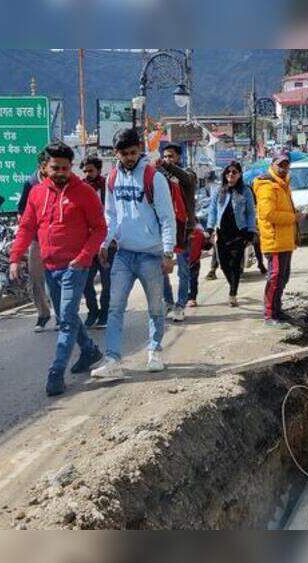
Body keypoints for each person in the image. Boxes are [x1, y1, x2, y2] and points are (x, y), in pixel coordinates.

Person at [9, 142, 107, 397]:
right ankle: (89, 351)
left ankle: (56, 371)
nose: (60, 172)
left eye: (65, 167)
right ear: (45, 167)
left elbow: (99, 229)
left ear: (71, 167)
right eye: (55, 167)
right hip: (49, 265)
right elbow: (27, 227)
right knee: (68, 315)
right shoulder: (37, 193)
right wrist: (15, 258)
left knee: (64, 318)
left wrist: (84, 257)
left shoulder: (84, 193)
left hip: (75, 266)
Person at [90, 129, 176, 381]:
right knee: (115, 308)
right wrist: (105, 243)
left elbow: (167, 218)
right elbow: (111, 214)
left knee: (155, 307)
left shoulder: (154, 177)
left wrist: (168, 252)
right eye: (124, 153)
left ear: (139, 150)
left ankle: (154, 351)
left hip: (151, 254)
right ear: (116, 153)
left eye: (133, 152)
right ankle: (113, 359)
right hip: (124, 254)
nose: (129, 157)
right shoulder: (112, 178)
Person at [254, 151, 297, 328]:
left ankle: (277, 311)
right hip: (275, 241)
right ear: (272, 164)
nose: (283, 168)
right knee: (275, 277)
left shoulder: (283, 184)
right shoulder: (267, 185)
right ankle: (270, 315)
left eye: (286, 165)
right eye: (280, 164)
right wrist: (293, 217)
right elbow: (268, 214)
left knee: (283, 278)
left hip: (285, 240)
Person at [207, 161, 257, 307]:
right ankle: (232, 285)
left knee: (235, 264)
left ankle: (233, 293)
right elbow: (212, 211)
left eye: (234, 172)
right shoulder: (219, 190)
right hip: (222, 233)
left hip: (239, 233)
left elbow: (250, 212)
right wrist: (209, 228)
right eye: (228, 172)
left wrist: (251, 230)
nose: (231, 174)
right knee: (223, 265)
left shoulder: (245, 191)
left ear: (239, 174)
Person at [159, 143, 197, 322]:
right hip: (165, 228)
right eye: (165, 157)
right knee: (162, 267)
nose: (167, 159)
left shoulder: (188, 174)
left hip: (184, 229)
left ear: (178, 158)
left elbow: (186, 179)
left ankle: (181, 304)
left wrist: (166, 166)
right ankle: (168, 301)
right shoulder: (160, 178)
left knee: (183, 269)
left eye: (171, 156)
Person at [18, 151, 55, 331]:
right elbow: (21, 210)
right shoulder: (30, 183)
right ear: (42, 166)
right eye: (50, 165)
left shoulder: (62, 180)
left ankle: (63, 315)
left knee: (59, 278)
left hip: (57, 238)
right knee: (35, 278)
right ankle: (43, 313)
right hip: (36, 240)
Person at [81, 155, 111, 328]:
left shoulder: (107, 187)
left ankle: (105, 314)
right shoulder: (81, 189)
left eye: (90, 171)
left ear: (98, 170)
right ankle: (92, 311)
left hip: (107, 242)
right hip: (87, 243)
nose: (87, 174)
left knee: (107, 281)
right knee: (86, 281)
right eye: (84, 171)